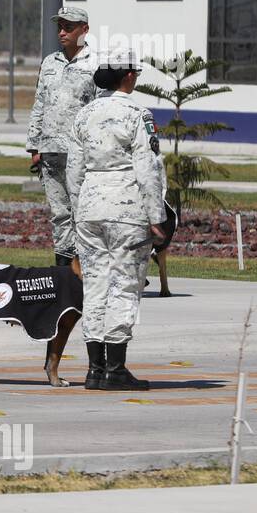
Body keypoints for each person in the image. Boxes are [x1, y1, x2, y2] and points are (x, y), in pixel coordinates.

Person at [66, 50, 166, 391]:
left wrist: (79, 211)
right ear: (128, 77)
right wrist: (157, 217)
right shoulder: (139, 114)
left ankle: (94, 369)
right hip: (127, 210)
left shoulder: (84, 115)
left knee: (94, 286)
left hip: (90, 208)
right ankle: (117, 368)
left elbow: (73, 170)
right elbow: (148, 168)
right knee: (124, 286)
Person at [27, 6, 98, 266]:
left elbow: (99, 110)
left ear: (84, 29)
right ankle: (63, 270)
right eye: (60, 26)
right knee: (59, 213)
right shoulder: (50, 62)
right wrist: (33, 146)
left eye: (69, 26)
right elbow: (40, 104)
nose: (62, 32)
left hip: (80, 153)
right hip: (50, 150)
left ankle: (87, 268)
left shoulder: (95, 63)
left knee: (83, 212)